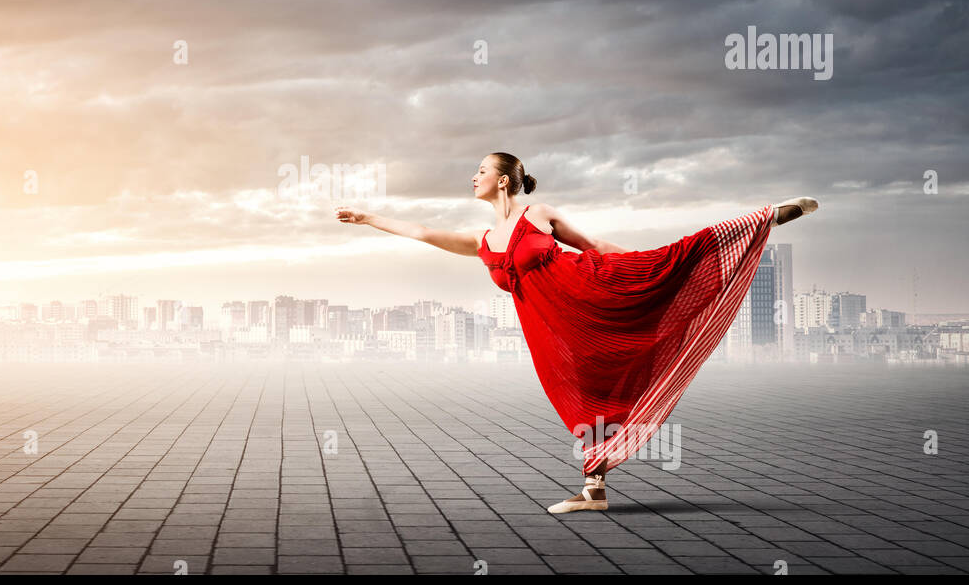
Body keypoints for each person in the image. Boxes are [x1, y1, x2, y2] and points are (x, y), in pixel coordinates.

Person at [336, 151, 818, 514]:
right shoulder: (481, 241)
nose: (473, 176)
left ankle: (764, 217)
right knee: (584, 397)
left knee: (670, 261)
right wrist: (368, 218)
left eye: (480, 170)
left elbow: (593, 245)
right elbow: (422, 231)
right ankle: (594, 491)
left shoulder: (537, 214)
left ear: (503, 180)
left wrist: (647, 272)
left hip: (594, 291)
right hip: (557, 332)